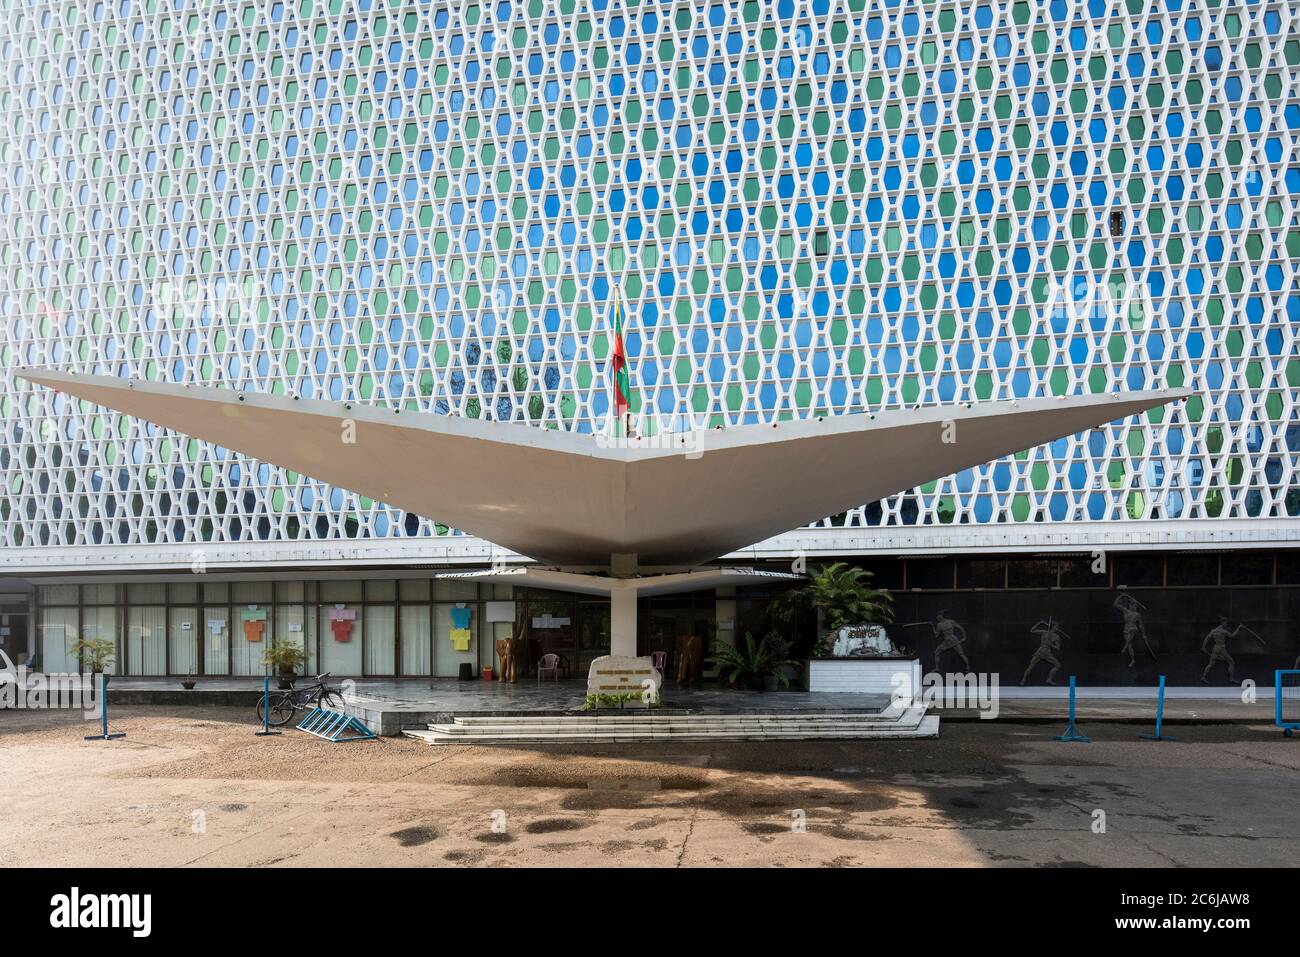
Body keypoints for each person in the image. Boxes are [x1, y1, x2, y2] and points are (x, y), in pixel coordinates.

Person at [1021, 618, 1067, 686]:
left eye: (1057, 627)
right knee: (1031, 666)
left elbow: (1057, 648)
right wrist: (1039, 623)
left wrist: (1050, 644)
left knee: (1057, 665)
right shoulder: (1045, 632)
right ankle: (1023, 680)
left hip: (1046, 653)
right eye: (1055, 627)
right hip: (1040, 652)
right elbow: (1032, 630)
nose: (1056, 628)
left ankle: (1049, 679)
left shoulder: (1056, 637)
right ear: (1053, 627)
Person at [1113, 595, 1155, 666]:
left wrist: (1144, 635)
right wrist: (1121, 596)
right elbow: (1115, 604)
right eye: (1132, 605)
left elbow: (1141, 625)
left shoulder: (1137, 614)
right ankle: (1133, 660)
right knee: (1130, 646)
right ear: (1130, 606)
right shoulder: (1125, 611)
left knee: (1133, 631)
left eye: (1135, 606)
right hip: (1126, 628)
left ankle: (1125, 646)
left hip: (1133, 628)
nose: (1134, 607)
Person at [1200, 616, 1244, 683]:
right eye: (1226, 623)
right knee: (1232, 662)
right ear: (1223, 623)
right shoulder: (1224, 631)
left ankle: (1203, 677)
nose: (1226, 625)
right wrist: (1239, 627)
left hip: (1215, 648)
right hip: (1221, 648)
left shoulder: (1213, 630)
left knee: (1211, 663)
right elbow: (1232, 636)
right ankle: (1231, 679)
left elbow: (1207, 638)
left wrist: (1203, 646)